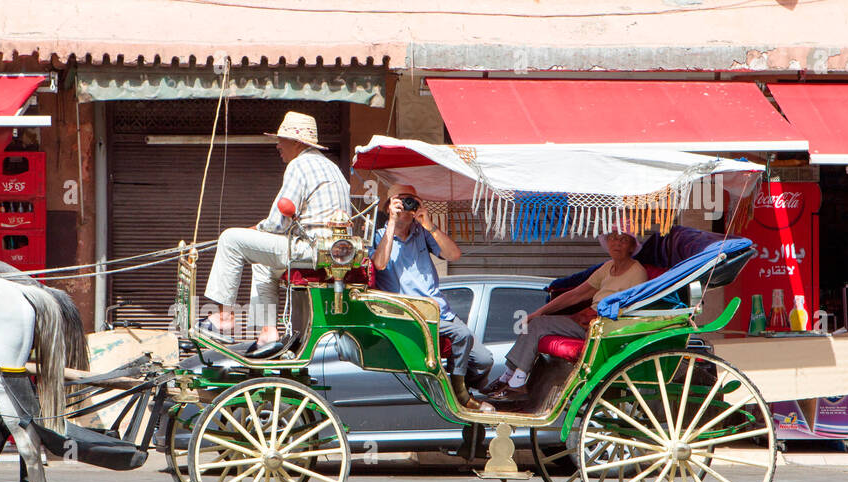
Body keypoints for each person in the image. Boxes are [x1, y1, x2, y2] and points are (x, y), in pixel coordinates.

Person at [199, 111, 351, 347]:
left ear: (298, 142)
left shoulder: (299, 165)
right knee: (263, 264)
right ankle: (268, 333)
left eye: (282, 140)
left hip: (312, 248)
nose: (278, 145)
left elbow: (279, 222)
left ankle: (223, 318)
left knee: (230, 239)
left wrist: (256, 230)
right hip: (331, 250)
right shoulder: (330, 166)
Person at [371, 183, 494, 412]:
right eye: (402, 201)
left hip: (440, 311)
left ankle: (462, 390)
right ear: (389, 206)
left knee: (485, 359)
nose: (407, 207)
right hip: (413, 314)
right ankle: (460, 396)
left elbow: (454, 255)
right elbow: (380, 263)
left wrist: (429, 225)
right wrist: (391, 223)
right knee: (462, 334)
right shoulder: (378, 236)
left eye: (412, 202)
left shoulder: (422, 234)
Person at [485, 230, 647, 400]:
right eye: (613, 238)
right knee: (536, 322)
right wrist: (539, 312)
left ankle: (516, 382)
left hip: (605, 326)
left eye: (623, 240)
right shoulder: (607, 267)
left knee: (538, 325)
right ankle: (510, 375)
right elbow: (576, 294)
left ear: (632, 246)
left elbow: (633, 308)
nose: (617, 243)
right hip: (587, 319)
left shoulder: (637, 272)